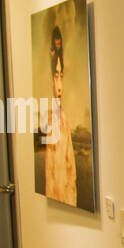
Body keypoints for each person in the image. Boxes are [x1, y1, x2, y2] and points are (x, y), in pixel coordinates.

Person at [42, 26, 77, 205]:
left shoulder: (64, 121)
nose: (60, 85)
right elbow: (50, 173)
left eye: (61, 76)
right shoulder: (51, 121)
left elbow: (71, 172)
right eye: (56, 77)